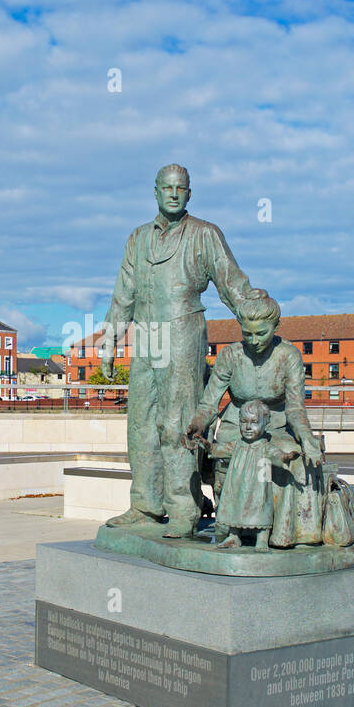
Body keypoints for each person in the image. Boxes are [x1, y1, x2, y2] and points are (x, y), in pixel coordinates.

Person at [99, 164, 257, 538]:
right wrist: (110, 342)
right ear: (155, 192)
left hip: (183, 332)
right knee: (141, 423)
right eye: (166, 188)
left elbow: (232, 284)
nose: (173, 194)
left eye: (180, 188)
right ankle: (145, 505)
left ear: (189, 193)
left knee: (178, 423)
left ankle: (184, 507)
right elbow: (124, 294)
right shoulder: (138, 238)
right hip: (147, 336)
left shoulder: (205, 234)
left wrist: (256, 325)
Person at [183, 290, 325, 547]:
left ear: (276, 326)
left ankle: (274, 528)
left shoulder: (289, 356)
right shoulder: (230, 356)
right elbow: (209, 402)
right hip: (236, 424)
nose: (254, 340)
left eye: (261, 333)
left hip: (276, 425)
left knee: (286, 457)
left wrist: (307, 438)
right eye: (247, 334)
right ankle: (231, 527)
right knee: (225, 460)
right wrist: (196, 425)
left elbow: (295, 408)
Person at [204, 400, 299, 550]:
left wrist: (285, 457)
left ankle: (262, 538)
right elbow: (221, 449)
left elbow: (276, 454)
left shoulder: (265, 446)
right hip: (237, 484)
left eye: (254, 422)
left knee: (262, 506)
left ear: (265, 424)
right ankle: (234, 536)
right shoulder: (237, 444)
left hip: (259, 484)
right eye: (243, 422)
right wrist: (209, 446)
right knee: (234, 505)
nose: (248, 427)